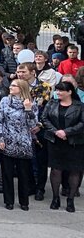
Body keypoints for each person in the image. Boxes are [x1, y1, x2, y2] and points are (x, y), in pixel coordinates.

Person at [41, 80, 84, 212]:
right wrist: (56, 132)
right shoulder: (52, 103)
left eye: (61, 90)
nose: (58, 93)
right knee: (56, 170)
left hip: (74, 142)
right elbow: (44, 118)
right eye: (57, 90)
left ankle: (70, 199)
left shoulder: (80, 106)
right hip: (55, 141)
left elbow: (82, 123)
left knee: (74, 170)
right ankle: (55, 198)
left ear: (69, 92)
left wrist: (66, 132)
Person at [0, 78, 37, 211]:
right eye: (11, 85)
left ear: (21, 88)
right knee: (7, 173)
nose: (10, 87)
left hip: (24, 143)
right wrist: (0, 138)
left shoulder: (30, 102)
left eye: (14, 86)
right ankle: (9, 201)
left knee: (23, 174)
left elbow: (33, 125)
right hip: (7, 141)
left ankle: (24, 201)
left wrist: (28, 110)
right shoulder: (5, 101)